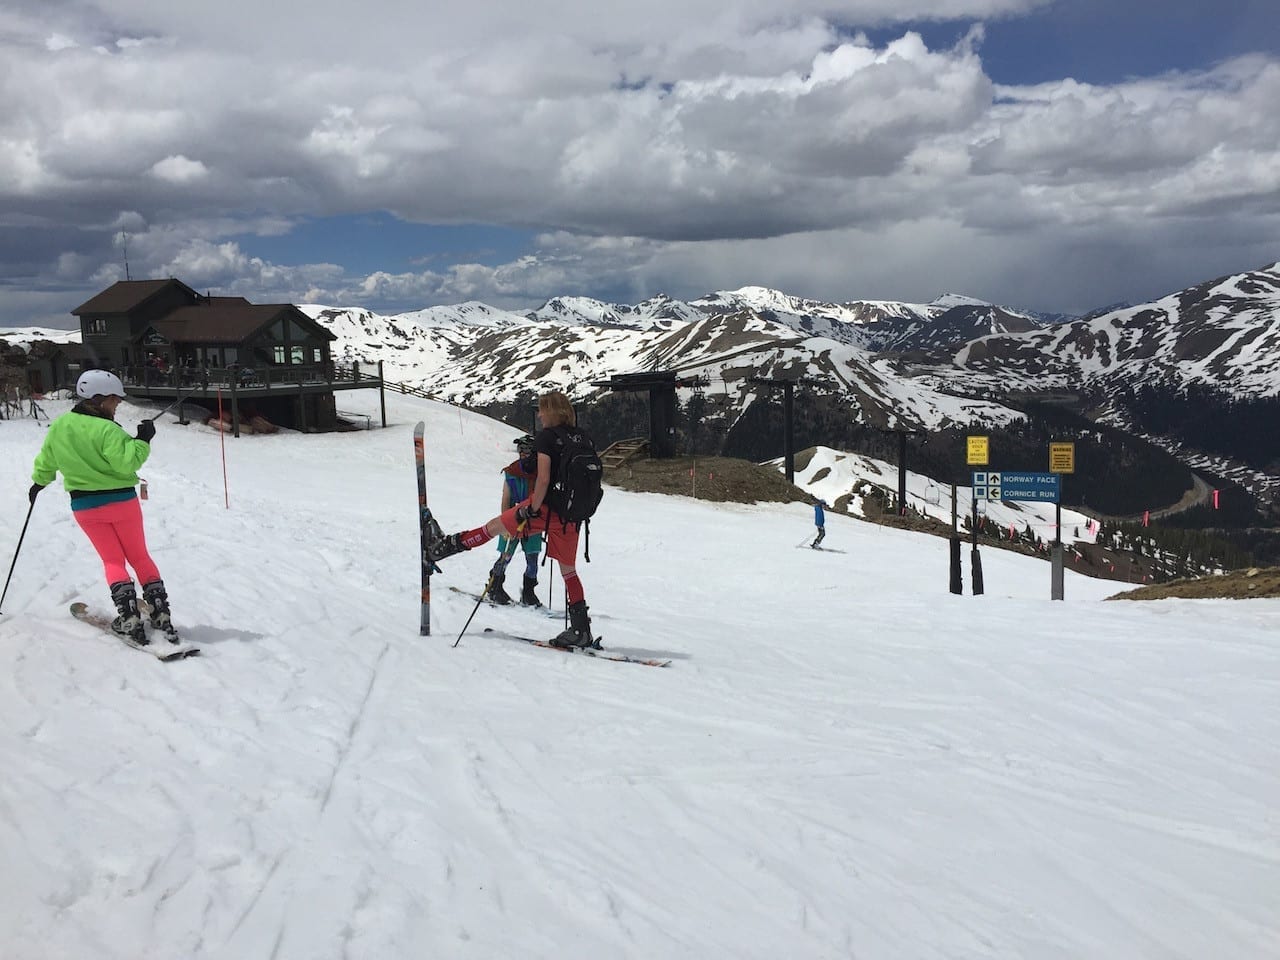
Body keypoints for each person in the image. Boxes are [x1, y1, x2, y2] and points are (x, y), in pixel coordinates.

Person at [426, 391, 596, 648]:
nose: (539, 415)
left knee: (494, 527)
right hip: (573, 516)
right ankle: (581, 630)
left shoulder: (547, 437)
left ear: (551, 411)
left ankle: (442, 548)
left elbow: (544, 478)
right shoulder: (583, 437)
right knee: (569, 571)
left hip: (547, 508)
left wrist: (532, 509)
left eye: (541, 410)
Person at [28, 369, 176, 644]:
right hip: (123, 503)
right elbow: (126, 463)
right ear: (97, 399)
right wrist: (143, 440)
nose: (117, 404)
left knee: (112, 560)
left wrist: (38, 483)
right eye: (114, 400)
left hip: (86, 507)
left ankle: (129, 618)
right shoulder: (108, 430)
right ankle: (160, 613)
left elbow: (47, 461)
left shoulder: (59, 427)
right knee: (139, 556)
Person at [487, 434, 545, 607]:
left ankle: (529, 592)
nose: (522, 453)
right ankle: (495, 586)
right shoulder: (512, 472)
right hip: (513, 518)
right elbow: (506, 499)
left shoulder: (541, 474)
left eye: (526, 450)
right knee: (505, 555)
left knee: (532, 558)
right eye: (520, 449)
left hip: (533, 522)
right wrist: (506, 525)